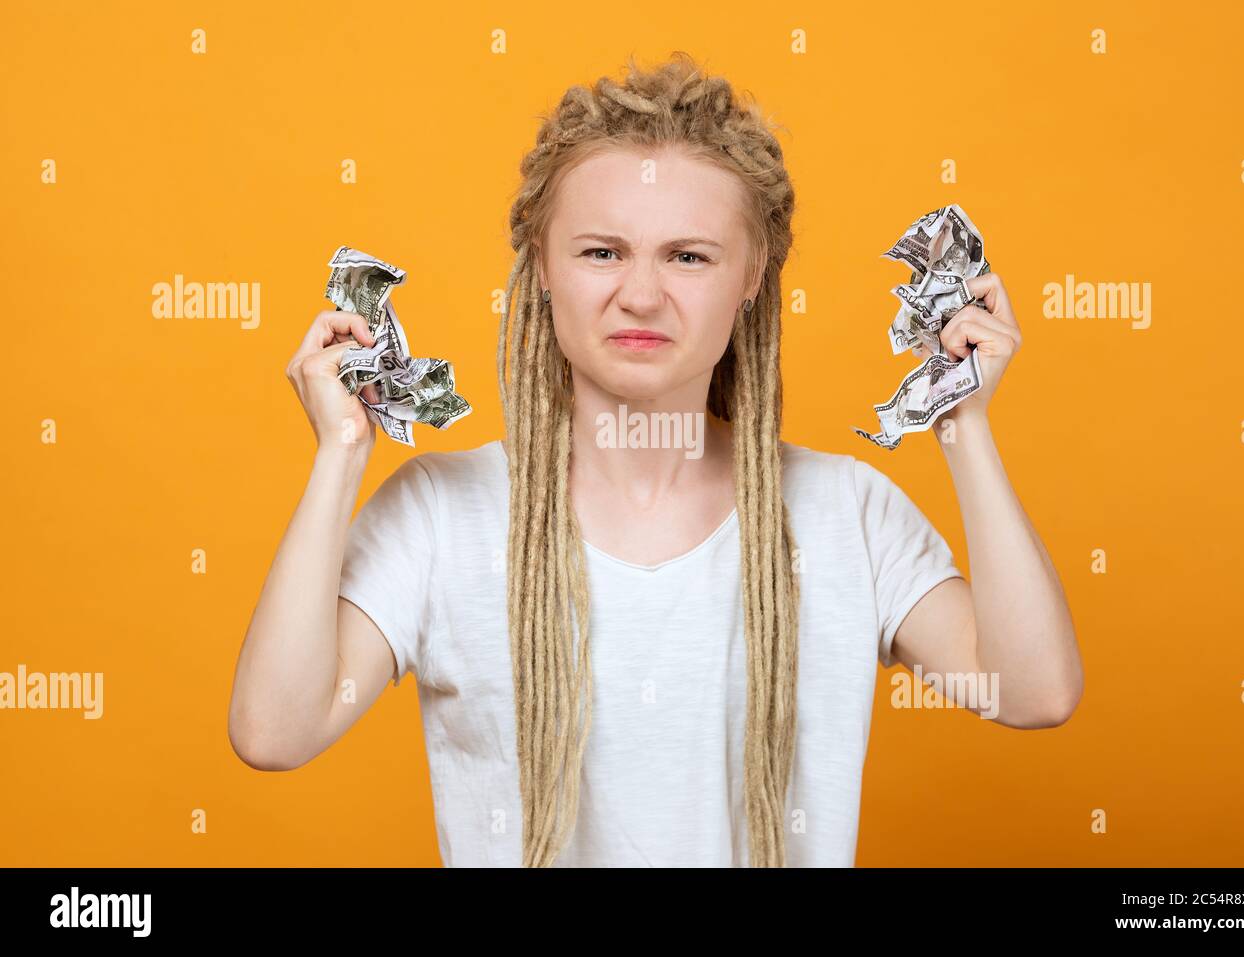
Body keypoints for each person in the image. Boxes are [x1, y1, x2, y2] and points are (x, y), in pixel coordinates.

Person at [228, 51, 1082, 868]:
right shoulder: (441, 514)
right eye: (602, 251)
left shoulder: (844, 512)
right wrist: (341, 453)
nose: (640, 294)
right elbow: (275, 731)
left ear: (752, 275)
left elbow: (1032, 691)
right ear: (545, 268)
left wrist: (964, 426)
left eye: (688, 256)